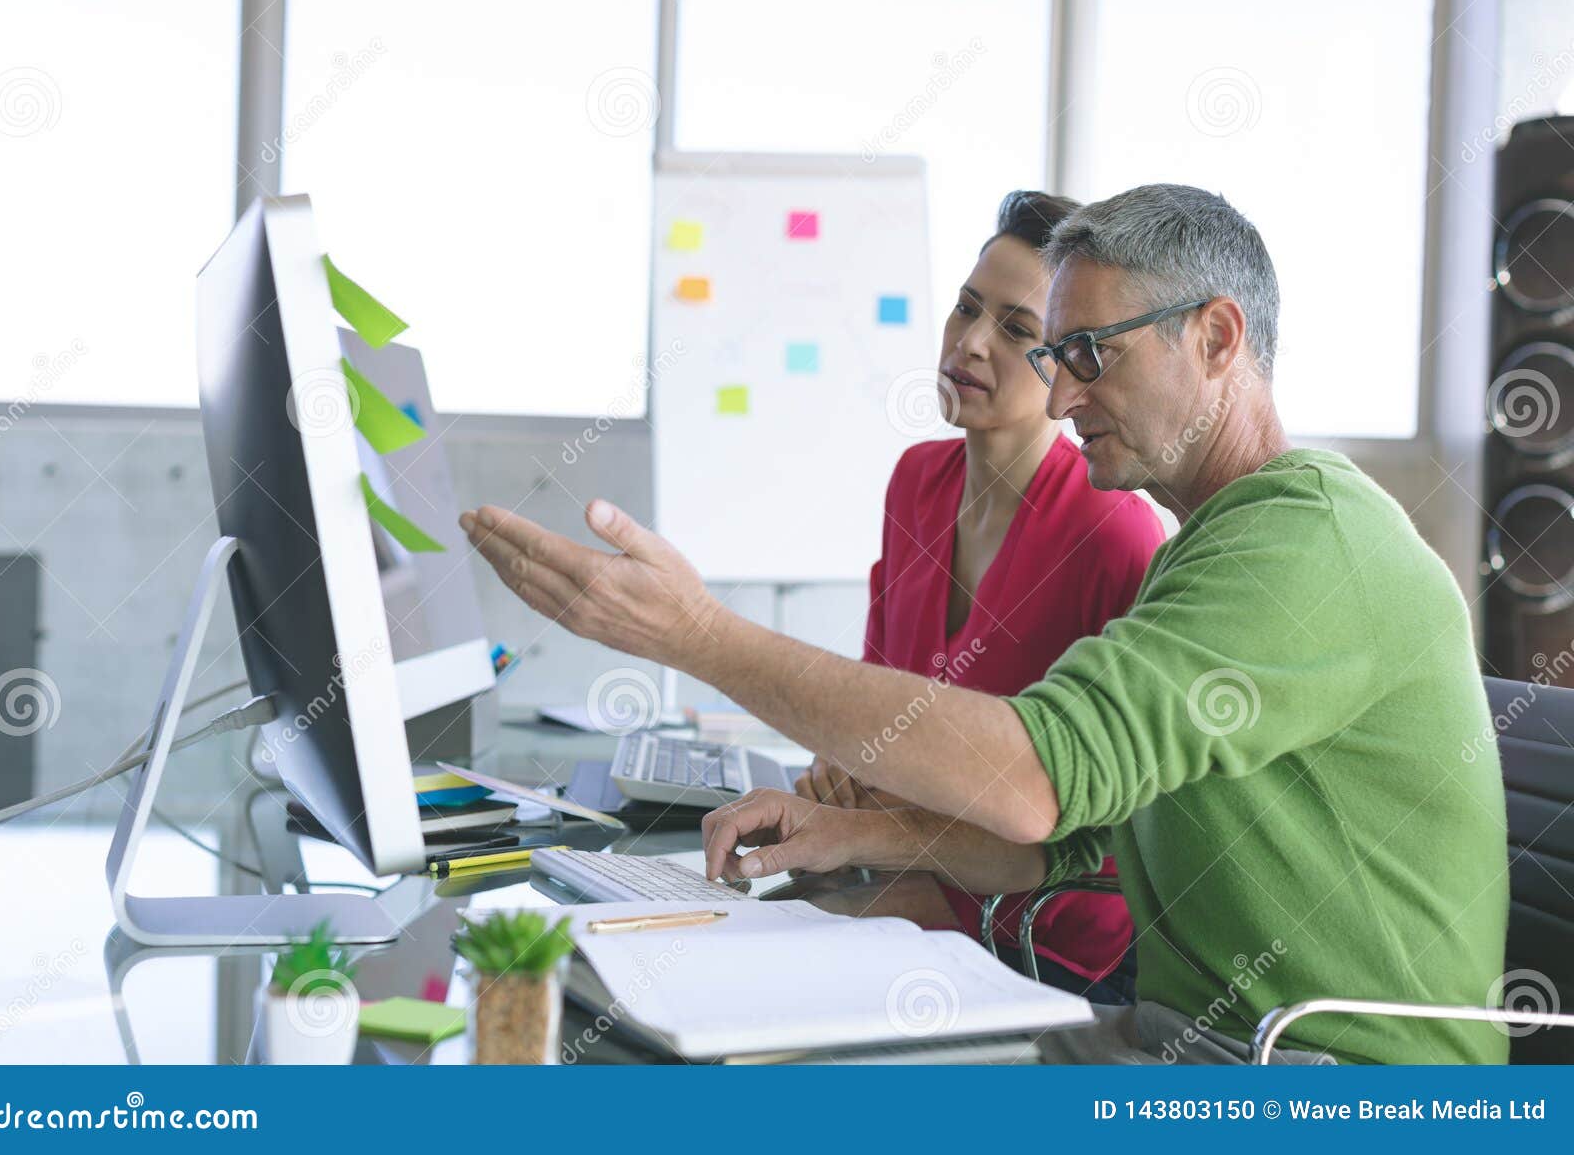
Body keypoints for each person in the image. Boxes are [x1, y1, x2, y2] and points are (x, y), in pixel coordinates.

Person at [459, 183, 1508, 1065]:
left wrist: (694, 633)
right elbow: (1078, 835)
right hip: (1183, 1040)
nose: (1058, 400)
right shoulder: (1214, 545)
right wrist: (862, 831)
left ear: (1217, 336)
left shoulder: (1305, 540)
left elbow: (1030, 778)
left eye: (1086, 353)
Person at [790, 190, 1163, 1003]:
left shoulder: (1115, 535)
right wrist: (840, 774)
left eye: (1017, 330)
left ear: (1068, 363)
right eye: (965, 308)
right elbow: (876, 720)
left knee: (784, 953)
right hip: (909, 870)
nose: (970, 342)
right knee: (753, 926)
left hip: (1046, 929)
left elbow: (1113, 823)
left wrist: (872, 831)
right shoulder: (916, 482)